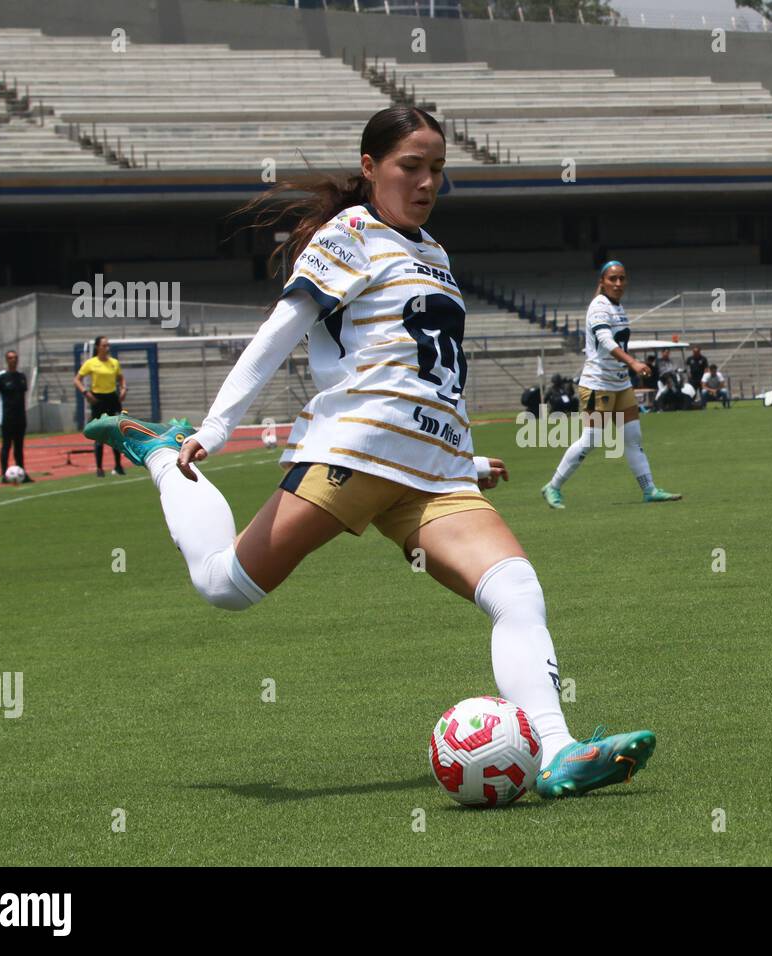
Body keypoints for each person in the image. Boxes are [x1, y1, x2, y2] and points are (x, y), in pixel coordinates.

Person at [85, 106, 654, 799]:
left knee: (518, 593)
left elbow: (433, 373)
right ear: (370, 168)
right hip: (357, 451)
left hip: (436, 473)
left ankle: (560, 751)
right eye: (410, 167)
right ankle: (160, 456)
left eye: (437, 170)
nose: (425, 183)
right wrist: (217, 423)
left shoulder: (436, 255)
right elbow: (281, 328)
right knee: (224, 585)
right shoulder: (350, 233)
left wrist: (468, 463)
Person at [541, 260, 682, 508]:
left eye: (622, 278)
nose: (618, 283)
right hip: (598, 384)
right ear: (602, 282)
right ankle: (553, 487)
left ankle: (649, 489)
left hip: (620, 384)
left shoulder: (617, 307)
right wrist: (633, 363)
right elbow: (605, 341)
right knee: (591, 440)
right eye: (612, 278)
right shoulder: (599, 307)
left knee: (633, 437)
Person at [75, 336, 127, 476]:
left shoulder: (114, 362)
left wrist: (123, 389)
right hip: (98, 399)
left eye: (108, 345)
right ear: (98, 347)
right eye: (104, 345)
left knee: (116, 432)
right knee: (100, 433)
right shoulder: (91, 363)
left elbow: (121, 378)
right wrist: (86, 393)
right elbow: (77, 379)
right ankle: (99, 468)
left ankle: (118, 465)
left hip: (112, 398)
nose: (107, 348)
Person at [0, 350, 33, 482]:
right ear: (6, 360)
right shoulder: (1, 377)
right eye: (10, 358)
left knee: (19, 447)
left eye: (15, 358)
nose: (13, 360)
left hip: (20, 417)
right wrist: (3, 407)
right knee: (6, 446)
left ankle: (22, 472)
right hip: (7, 417)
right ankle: (4, 474)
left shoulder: (21, 377)